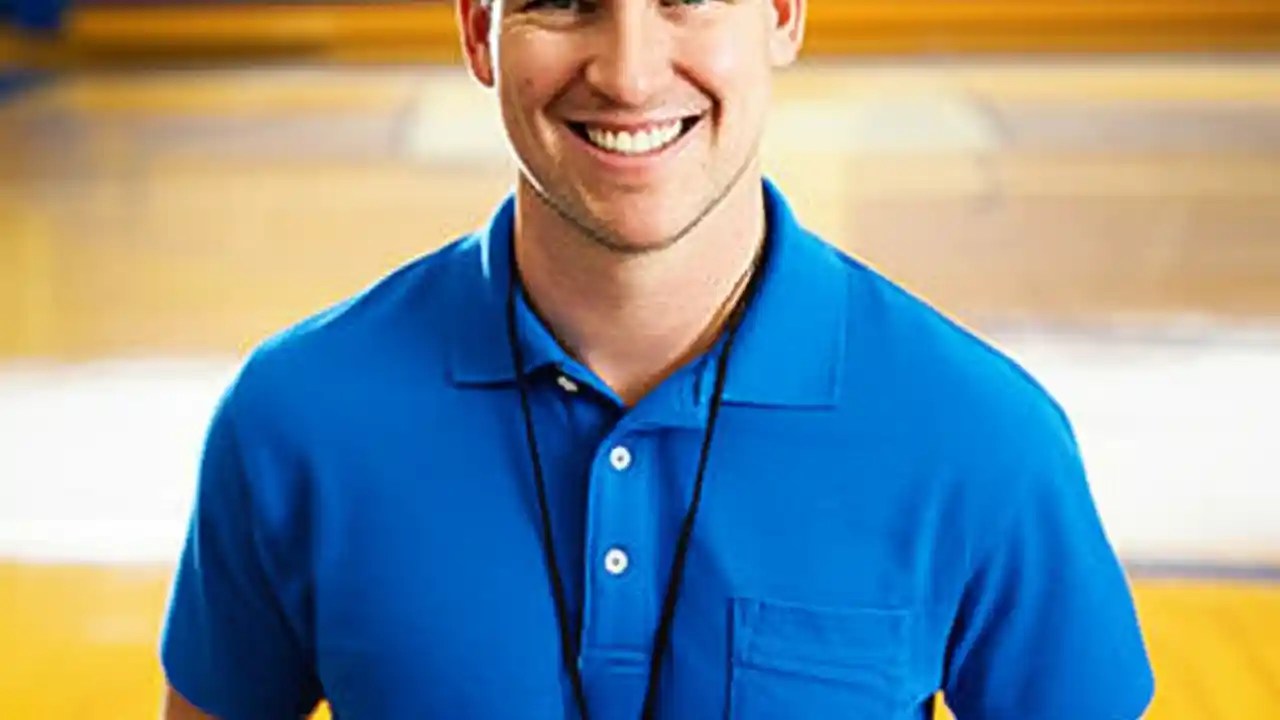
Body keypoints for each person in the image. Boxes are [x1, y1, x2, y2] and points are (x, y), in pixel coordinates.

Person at [160, 0, 1155, 717]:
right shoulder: (295, 420)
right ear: (478, 30)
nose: (629, 72)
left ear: (781, 14)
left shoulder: (980, 439)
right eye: (561, 2)